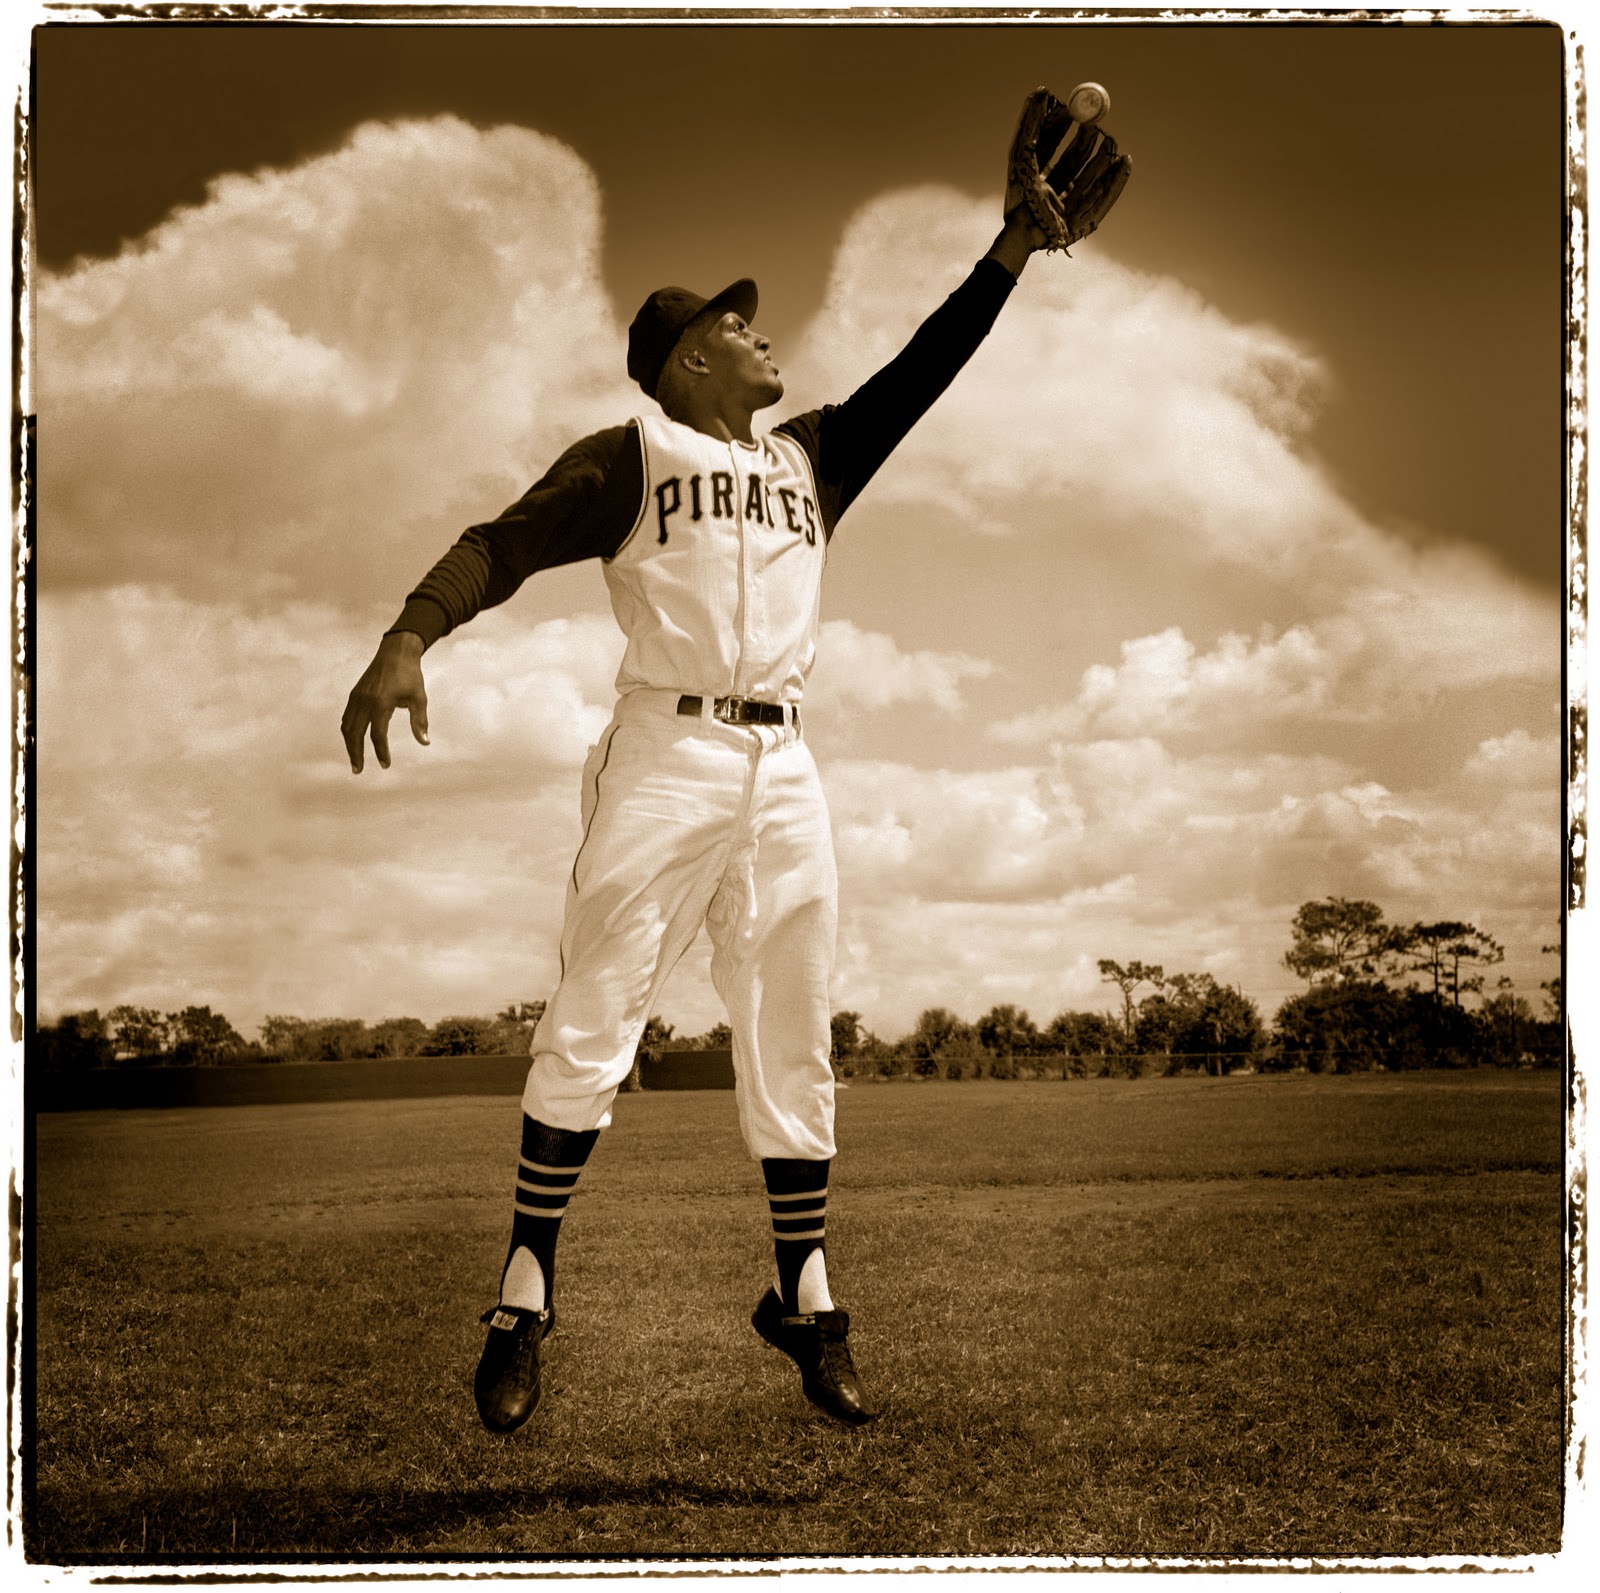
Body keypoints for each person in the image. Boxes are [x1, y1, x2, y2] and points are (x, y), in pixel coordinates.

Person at [341, 194, 1072, 1436]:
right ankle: (523, 1297)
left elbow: (924, 368)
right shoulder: (633, 456)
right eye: (740, 326)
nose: (762, 335)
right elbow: (500, 542)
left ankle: (804, 1292)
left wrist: (1011, 249)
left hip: (785, 768)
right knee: (593, 1018)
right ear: (690, 357)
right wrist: (409, 633)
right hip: (665, 754)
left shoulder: (809, 459)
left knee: (793, 1032)